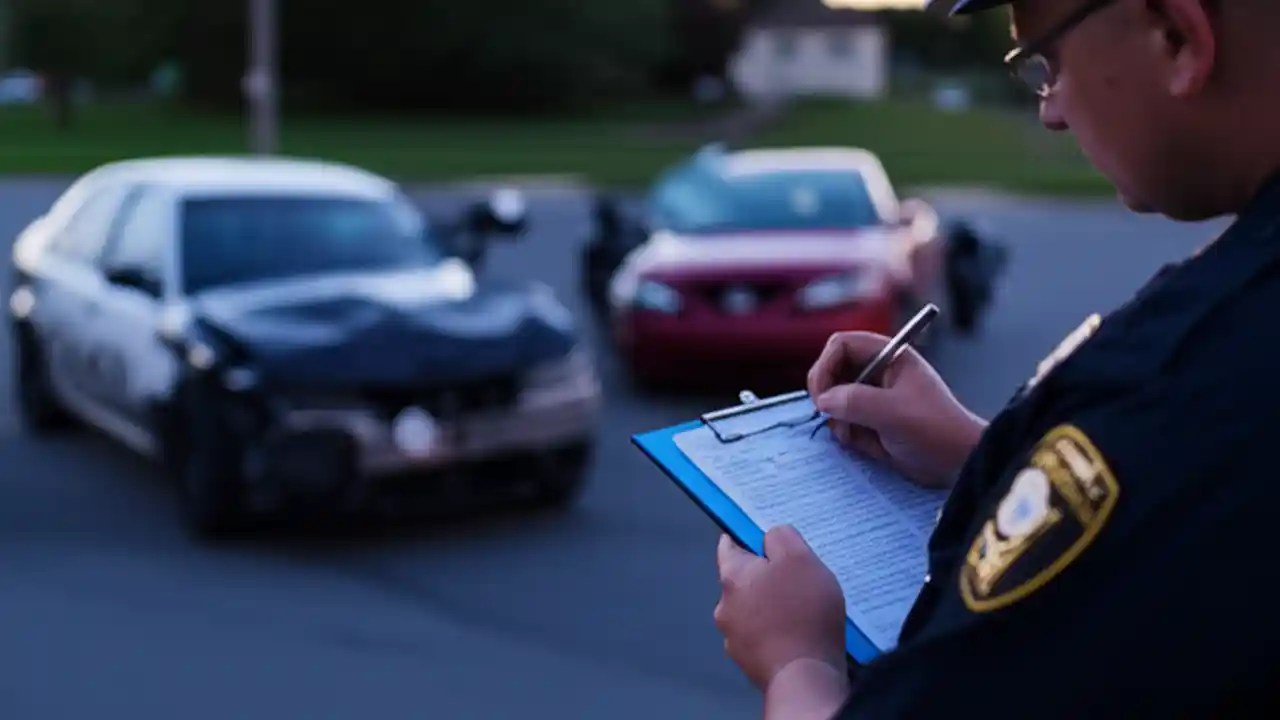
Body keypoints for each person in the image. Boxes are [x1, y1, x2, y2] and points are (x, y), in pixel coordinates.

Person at [711, 0, 1280, 716]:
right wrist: (983, 455)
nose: (1052, 113)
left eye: (1049, 64)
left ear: (1176, 37)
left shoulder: (1172, 384)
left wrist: (796, 659)